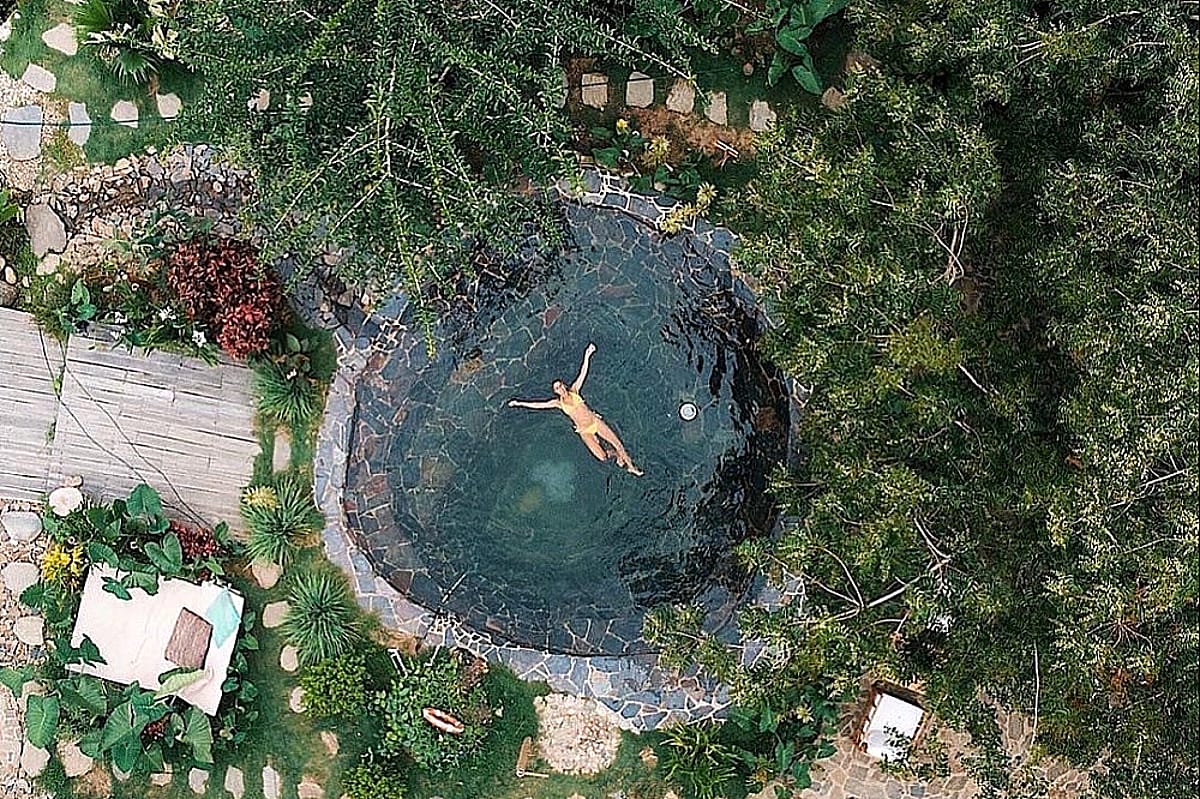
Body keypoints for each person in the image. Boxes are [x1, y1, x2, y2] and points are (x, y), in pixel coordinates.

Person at [508, 343, 644, 476]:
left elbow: (583, 372)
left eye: (560, 385)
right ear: (556, 392)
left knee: (618, 443)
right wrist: (519, 403)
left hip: (594, 421)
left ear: (564, 385)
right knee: (602, 457)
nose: (560, 389)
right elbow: (538, 405)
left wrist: (587, 354)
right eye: (557, 388)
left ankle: (631, 467)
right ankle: (615, 454)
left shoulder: (575, 390)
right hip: (584, 431)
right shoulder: (558, 403)